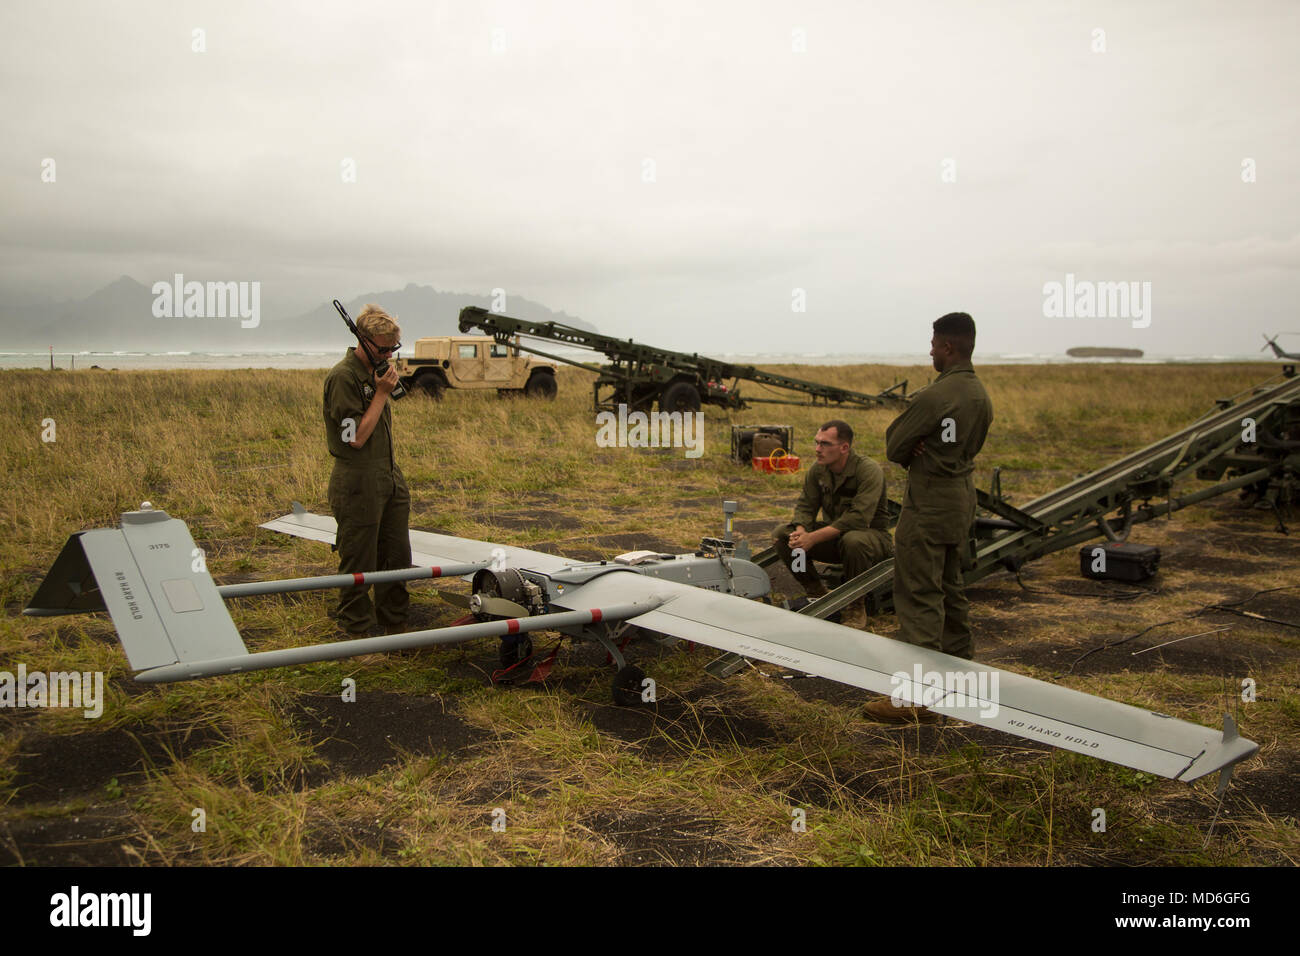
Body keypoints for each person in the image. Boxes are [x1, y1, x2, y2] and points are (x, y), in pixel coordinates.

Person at [863, 312, 993, 722]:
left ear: (949, 347)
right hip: (961, 500)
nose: (931, 350)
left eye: (935, 344)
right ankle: (960, 686)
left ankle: (914, 699)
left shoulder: (936, 395)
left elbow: (895, 444)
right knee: (952, 592)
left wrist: (918, 445)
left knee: (919, 596)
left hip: (929, 502)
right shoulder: (979, 394)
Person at [322, 304, 411, 636]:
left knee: (397, 556)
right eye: (382, 347)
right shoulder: (343, 377)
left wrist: (382, 387)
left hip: (388, 475)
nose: (388, 354)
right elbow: (355, 438)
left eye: (393, 348)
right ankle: (356, 629)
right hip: (357, 479)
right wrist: (381, 394)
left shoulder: (378, 370)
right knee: (359, 559)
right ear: (363, 339)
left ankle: (395, 623)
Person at [770, 420, 893, 630]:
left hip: (871, 540)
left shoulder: (868, 470)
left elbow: (858, 518)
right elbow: (806, 507)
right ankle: (816, 592)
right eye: (817, 442)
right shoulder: (818, 471)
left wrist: (813, 538)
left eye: (825, 444)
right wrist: (800, 533)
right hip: (834, 538)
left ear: (844, 447)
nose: (818, 449)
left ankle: (855, 605)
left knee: (854, 539)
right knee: (783, 534)